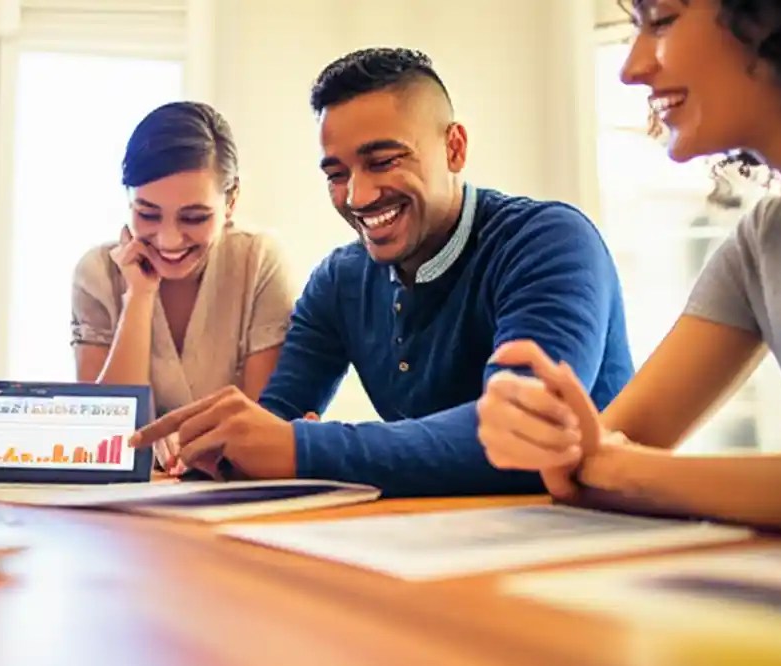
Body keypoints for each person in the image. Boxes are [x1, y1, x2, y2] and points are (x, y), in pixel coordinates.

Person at [130, 48, 633, 494]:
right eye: (337, 174)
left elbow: (522, 432)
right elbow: (274, 420)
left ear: (454, 148)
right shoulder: (339, 281)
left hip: (592, 537)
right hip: (443, 544)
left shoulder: (548, 241)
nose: (358, 196)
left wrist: (302, 447)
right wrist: (220, 455)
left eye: (384, 161)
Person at [476, 0, 781, 534]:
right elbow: (592, 465)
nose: (632, 67)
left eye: (663, 20)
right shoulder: (764, 243)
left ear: (779, 17)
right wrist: (553, 438)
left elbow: (623, 463)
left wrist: (633, 469)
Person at [71, 101, 294, 473]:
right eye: (147, 214)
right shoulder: (97, 272)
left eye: (194, 217)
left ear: (232, 200)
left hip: (235, 492)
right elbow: (106, 437)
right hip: (130, 501)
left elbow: (259, 428)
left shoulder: (258, 261)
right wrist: (139, 298)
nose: (170, 240)